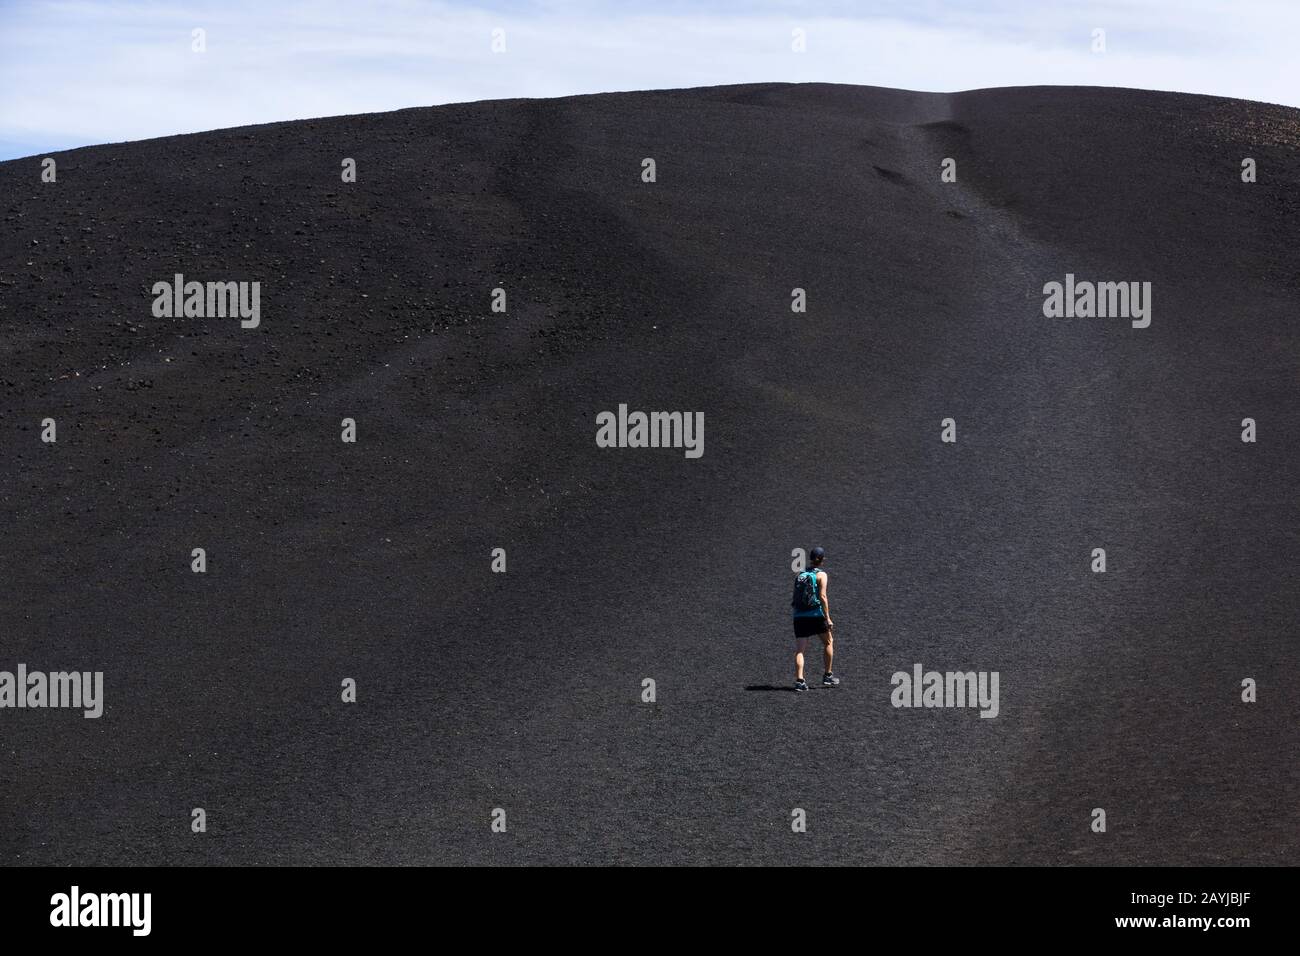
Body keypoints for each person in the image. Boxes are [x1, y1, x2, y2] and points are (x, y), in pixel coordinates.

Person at [791, 546, 839, 691]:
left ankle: (800, 681)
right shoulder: (821, 575)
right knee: (829, 642)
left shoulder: (801, 574)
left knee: (800, 650)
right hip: (816, 615)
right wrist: (828, 618)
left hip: (799, 615)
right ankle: (828, 676)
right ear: (822, 560)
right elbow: (823, 597)